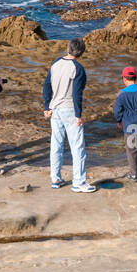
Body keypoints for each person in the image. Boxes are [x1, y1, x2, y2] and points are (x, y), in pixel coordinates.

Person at [43, 38, 94, 193]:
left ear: (68, 48)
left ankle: (55, 178)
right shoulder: (78, 69)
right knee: (77, 147)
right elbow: (77, 94)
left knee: (56, 145)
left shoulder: (56, 63)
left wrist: (47, 106)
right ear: (81, 53)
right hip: (70, 109)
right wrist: (79, 115)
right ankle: (78, 182)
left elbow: (46, 85)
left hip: (55, 109)